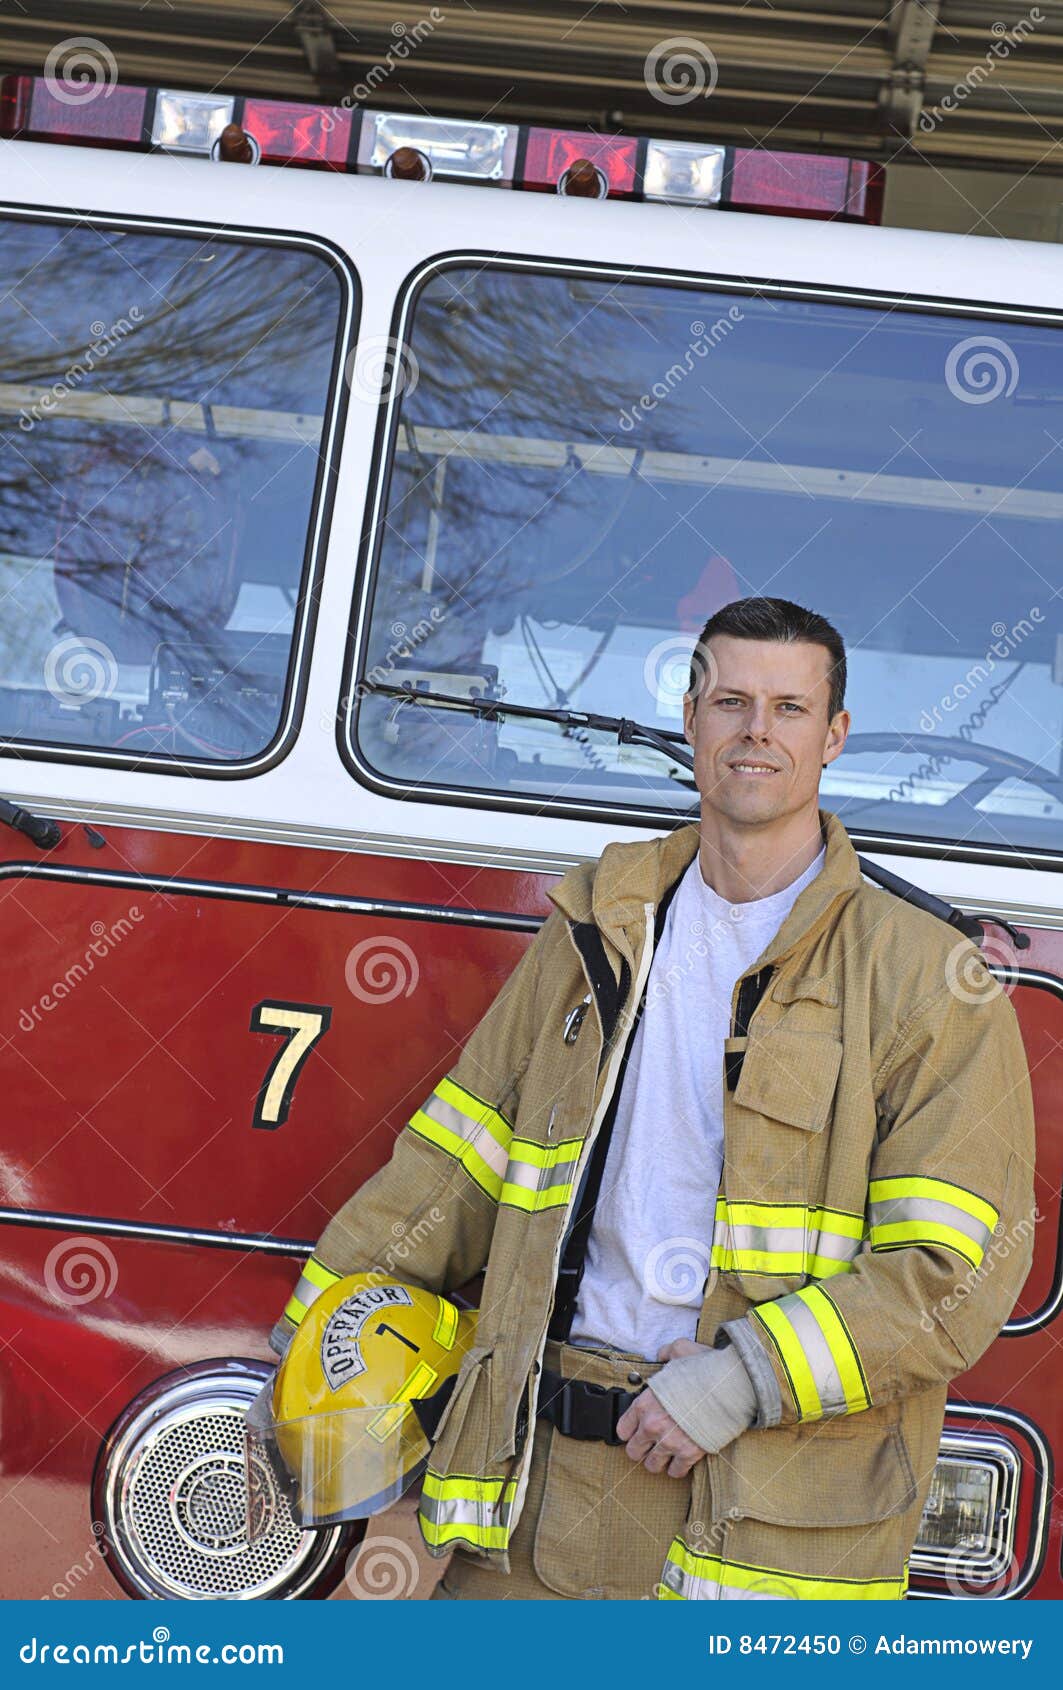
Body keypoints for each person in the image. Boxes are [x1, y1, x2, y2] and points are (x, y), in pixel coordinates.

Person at [268, 595, 1036, 1601]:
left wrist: (739, 1378)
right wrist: (304, 1346)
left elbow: (951, 1273)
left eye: (789, 708)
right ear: (689, 714)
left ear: (833, 734)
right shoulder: (599, 920)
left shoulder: (926, 979)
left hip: (765, 1524)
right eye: (730, 700)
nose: (756, 731)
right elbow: (454, 1164)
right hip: (537, 1478)